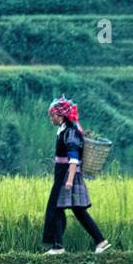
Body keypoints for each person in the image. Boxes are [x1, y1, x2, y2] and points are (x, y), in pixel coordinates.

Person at [42, 95, 111, 255]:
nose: (51, 118)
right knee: (68, 210)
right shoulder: (63, 130)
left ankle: (60, 246)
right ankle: (96, 242)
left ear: (60, 115)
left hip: (68, 175)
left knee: (62, 208)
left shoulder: (71, 133)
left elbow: (73, 158)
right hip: (62, 174)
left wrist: (70, 181)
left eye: (52, 115)